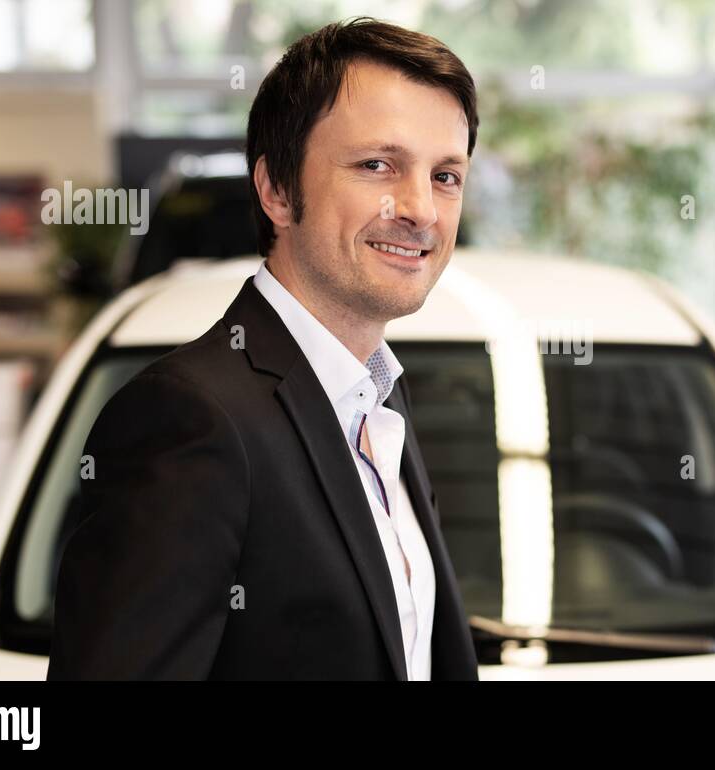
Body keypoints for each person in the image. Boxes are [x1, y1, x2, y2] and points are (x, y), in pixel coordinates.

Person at [49, 18, 479, 680]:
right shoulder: (190, 420)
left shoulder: (376, 402)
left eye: (446, 175)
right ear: (277, 190)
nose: (422, 208)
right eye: (377, 165)